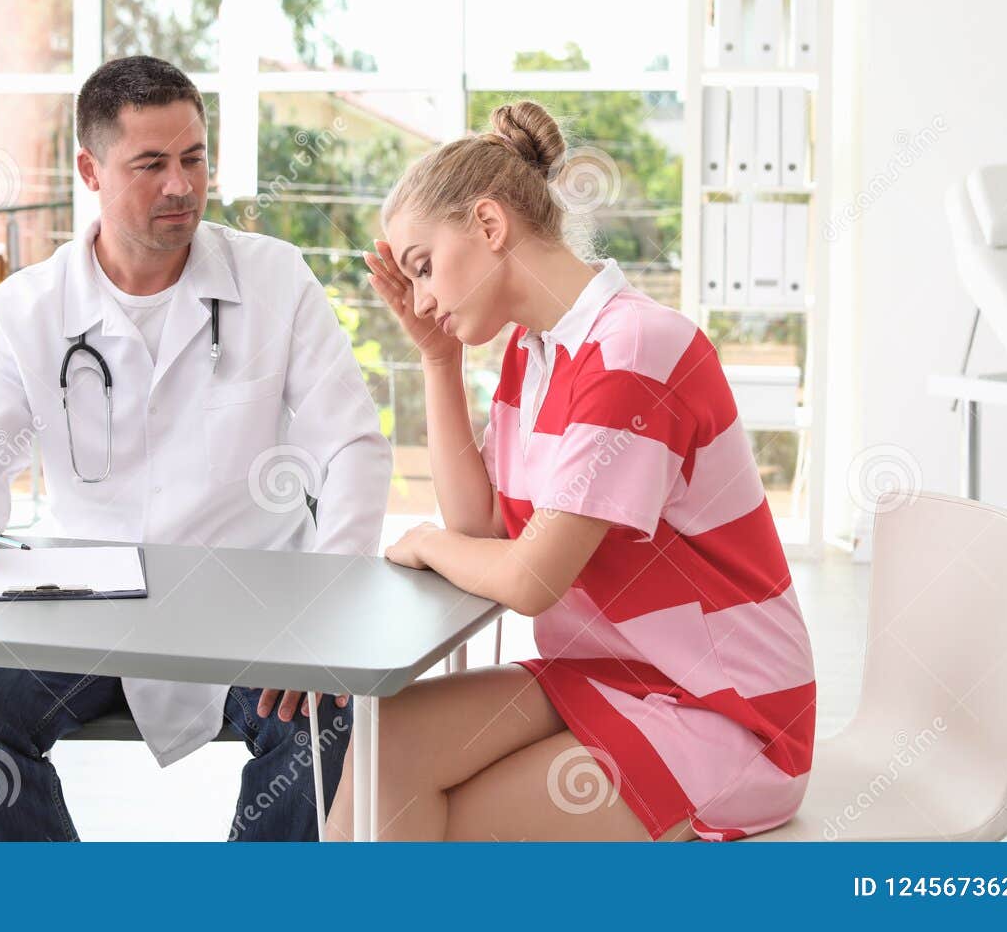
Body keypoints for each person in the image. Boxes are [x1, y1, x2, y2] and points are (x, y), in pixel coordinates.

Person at [0, 56, 392, 840]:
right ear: (90, 169)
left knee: (321, 725)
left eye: (194, 158)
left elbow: (356, 450)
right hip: (89, 605)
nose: (182, 185)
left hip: (254, 599)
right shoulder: (30, 307)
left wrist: (323, 607)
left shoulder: (273, 278)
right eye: (152, 164)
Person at [327, 100, 815, 841]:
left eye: (424, 267)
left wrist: (422, 542)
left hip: (725, 713)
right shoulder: (536, 352)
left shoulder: (636, 349)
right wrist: (438, 359)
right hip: (608, 671)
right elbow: (483, 527)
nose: (420, 298)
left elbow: (529, 579)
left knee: (450, 828)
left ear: (490, 226)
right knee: (383, 747)